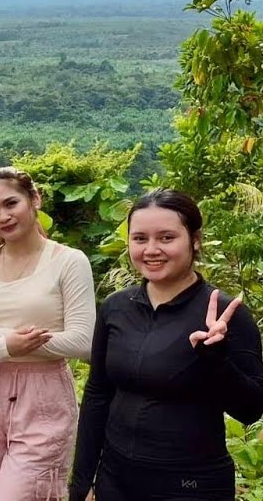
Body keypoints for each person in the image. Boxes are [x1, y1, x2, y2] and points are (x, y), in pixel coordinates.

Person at [70, 189, 263, 500]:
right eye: (140, 238)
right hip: (115, 480)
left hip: (191, 485)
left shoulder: (225, 316)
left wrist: (215, 361)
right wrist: (81, 482)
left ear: (195, 240)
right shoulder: (116, 307)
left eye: (166, 238)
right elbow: (98, 394)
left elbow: (251, 409)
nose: (151, 249)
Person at [0, 167, 95, 500]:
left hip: (42, 396)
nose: (4, 216)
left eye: (11, 203)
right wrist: (3, 347)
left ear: (34, 199)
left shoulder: (68, 262)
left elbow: (83, 342)